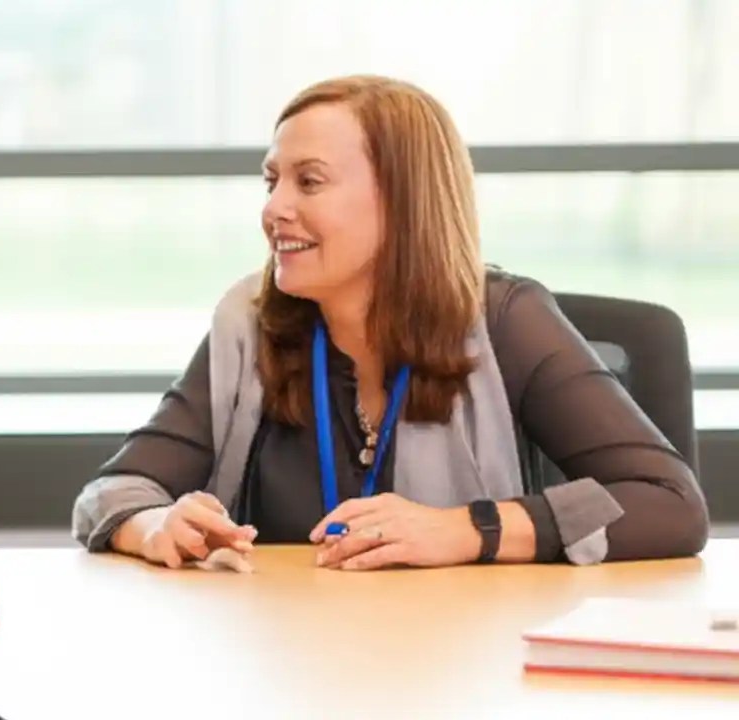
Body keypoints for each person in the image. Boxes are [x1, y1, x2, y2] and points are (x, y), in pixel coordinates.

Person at [73, 75, 708, 573]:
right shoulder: (250, 324)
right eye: (271, 181)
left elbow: (670, 505)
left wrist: (465, 529)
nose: (273, 209)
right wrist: (156, 526)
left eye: (309, 182)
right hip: (288, 671)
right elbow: (114, 491)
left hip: (467, 665)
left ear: (402, 201)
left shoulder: (508, 321)